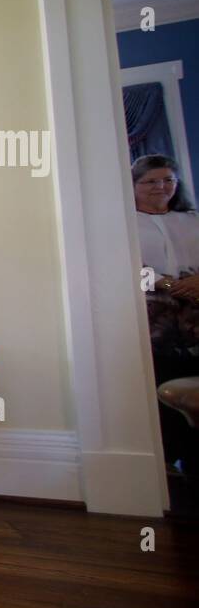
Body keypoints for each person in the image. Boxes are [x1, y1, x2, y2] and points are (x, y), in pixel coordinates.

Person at [131, 154, 199, 484]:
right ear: (133, 187)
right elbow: (126, 268)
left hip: (195, 309)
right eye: (151, 181)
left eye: (168, 180)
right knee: (161, 378)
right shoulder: (126, 224)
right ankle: (170, 455)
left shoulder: (191, 219)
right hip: (154, 313)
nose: (161, 187)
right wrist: (168, 283)